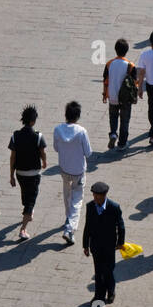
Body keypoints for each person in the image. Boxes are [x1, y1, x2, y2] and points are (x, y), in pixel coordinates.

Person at [52, 101, 92, 246]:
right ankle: (70, 229)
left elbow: (56, 148)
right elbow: (88, 152)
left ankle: (68, 218)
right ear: (78, 116)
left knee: (67, 194)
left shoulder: (58, 129)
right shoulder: (81, 132)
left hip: (64, 169)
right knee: (77, 200)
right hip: (78, 171)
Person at [83, 180, 125, 307]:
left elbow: (121, 226)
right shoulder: (90, 206)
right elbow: (87, 227)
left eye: (97, 196)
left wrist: (120, 243)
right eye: (94, 195)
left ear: (104, 195)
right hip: (96, 246)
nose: (95, 198)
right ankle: (98, 296)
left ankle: (110, 291)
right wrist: (85, 245)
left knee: (108, 271)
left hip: (109, 246)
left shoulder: (114, 207)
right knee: (98, 271)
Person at [8, 104, 47, 240]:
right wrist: (45, 162)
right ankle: (23, 228)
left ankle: (27, 211)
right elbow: (42, 152)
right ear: (32, 121)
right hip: (34, 174)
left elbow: (12, 157)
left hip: (20, 173)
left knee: (25, 194)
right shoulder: (38, 136)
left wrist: (11, 175)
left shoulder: (15, 135)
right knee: (31, 199)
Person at [102, 38, 136, 151]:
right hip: (125, 98)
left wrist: (104, 94)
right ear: (126, 51)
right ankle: (122, 143)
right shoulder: (130, 66)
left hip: (112, 96)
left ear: (115, 50)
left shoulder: (109, 64)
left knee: (113, 117)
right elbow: (134, 83)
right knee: (125, 120)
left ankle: (113, 134)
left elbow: (105, 80)